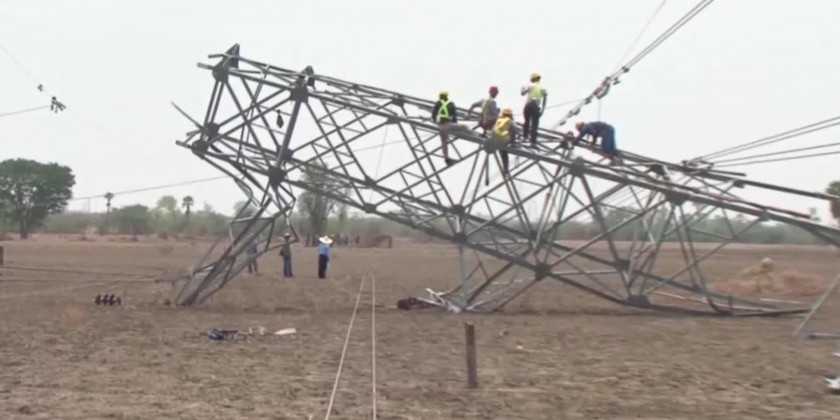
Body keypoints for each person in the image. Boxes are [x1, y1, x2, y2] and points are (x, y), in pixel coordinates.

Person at [431, 90, 458, 166]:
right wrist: (454, 124)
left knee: (444, 142)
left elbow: (433, 115)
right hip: (448, 124)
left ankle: (446, 158)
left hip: (440, 125)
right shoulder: (451, 104)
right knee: (464, 127)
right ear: (446, 96)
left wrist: (435, 121)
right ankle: (478, 135)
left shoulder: (437, 104)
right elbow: (454, 117)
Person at [520, 72, 547, 147]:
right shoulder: (542, 88)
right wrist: (542, 110)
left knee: (526, 121)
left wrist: (522, 89)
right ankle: (533, 142)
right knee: (534, 125)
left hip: (528, 105)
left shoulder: (530, 85)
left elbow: (522, 93)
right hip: (535, 106)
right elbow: (545, 99)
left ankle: (524, 137)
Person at [491, 108, 518, 174]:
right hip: (503, 140)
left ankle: (505, 168)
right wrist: (512, 141)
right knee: (504, 154)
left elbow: (493, 130)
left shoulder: (498, 120)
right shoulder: (510, 121)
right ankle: (506, 168)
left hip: (496, 140)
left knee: (503, 153)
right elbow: (515, 130)